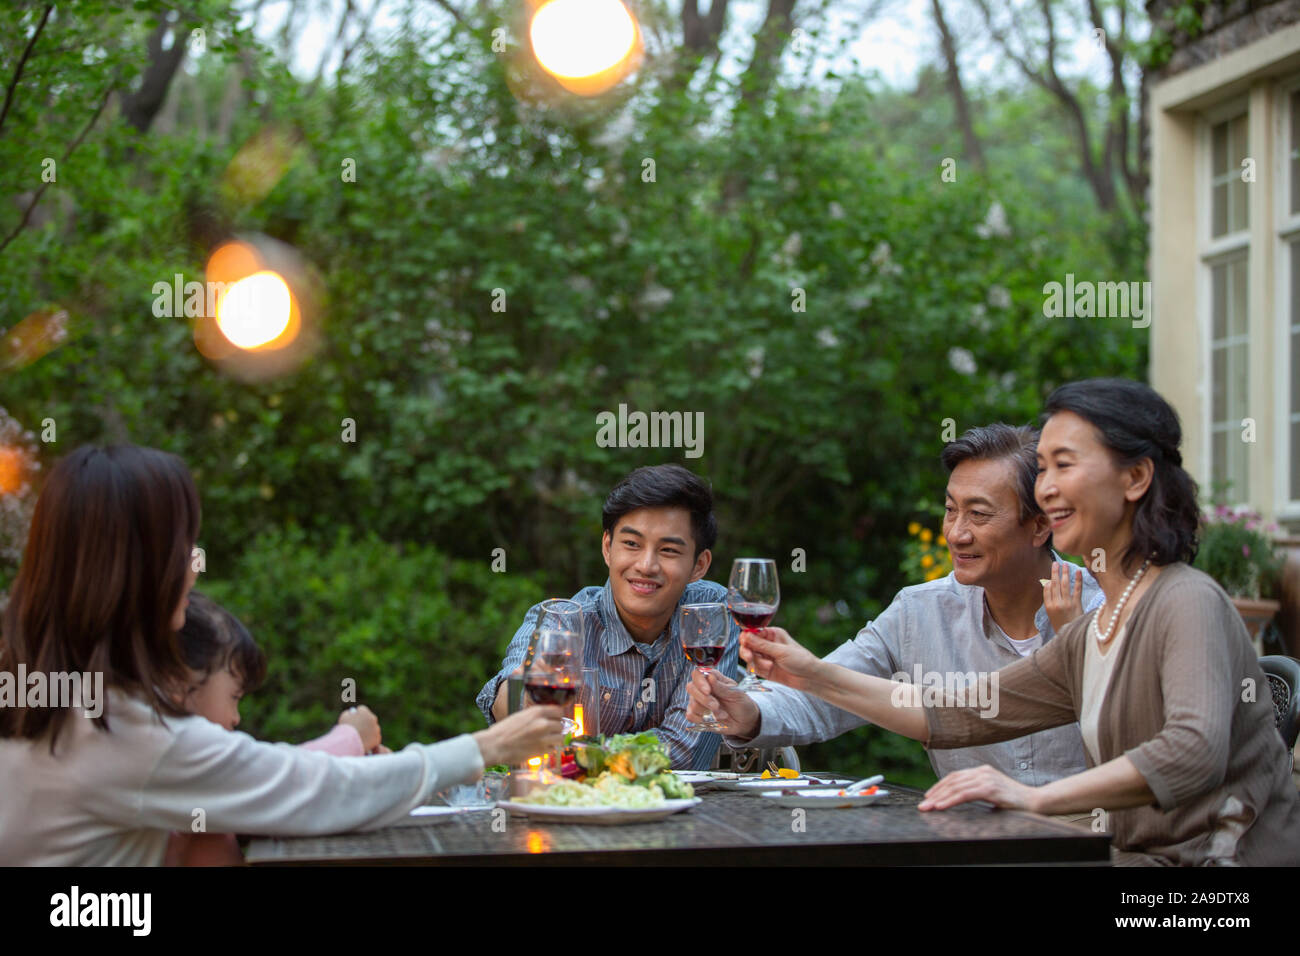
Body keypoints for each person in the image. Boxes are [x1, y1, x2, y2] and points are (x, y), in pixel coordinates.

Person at [718, 380, 1300, 865]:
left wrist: (1030, 798)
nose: (1047, 488)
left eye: (1064, 465)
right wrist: (810, 672)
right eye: (1043, 468)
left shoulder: (1183, 599)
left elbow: (1190, 752)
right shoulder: (1102, 622)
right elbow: (958, 713)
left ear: (1135, 478)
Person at [0, 444, 563, 866]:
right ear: (137, 570)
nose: (193, 565)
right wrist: (487, 746)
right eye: (182, 546)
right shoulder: (125, 732)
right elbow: (314, 792)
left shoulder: (50, 696)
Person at [689, 424, 1101, 785]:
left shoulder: (1102, 609)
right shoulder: (920, 612)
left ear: (1040, 524)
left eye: (978, 514)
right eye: (950, 510)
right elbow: (831, 694)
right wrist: (751, 713)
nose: (956, 534)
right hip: (968, 843)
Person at [476, 464, 741, 769]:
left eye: (668, 550)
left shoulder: (711, 612)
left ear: (699, 565)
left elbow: (687, 751)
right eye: (631, 544)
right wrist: (525, 698)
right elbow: (507, 704)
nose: (646, 565)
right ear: (607, 548)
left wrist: (581, 754)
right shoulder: (560, 621)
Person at [162, 592, 391, 866]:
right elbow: (273, 783)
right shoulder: (170, 760)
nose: (236, 718)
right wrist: (351, 738)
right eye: (234, 697)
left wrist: (364, 770)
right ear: (178, 682)